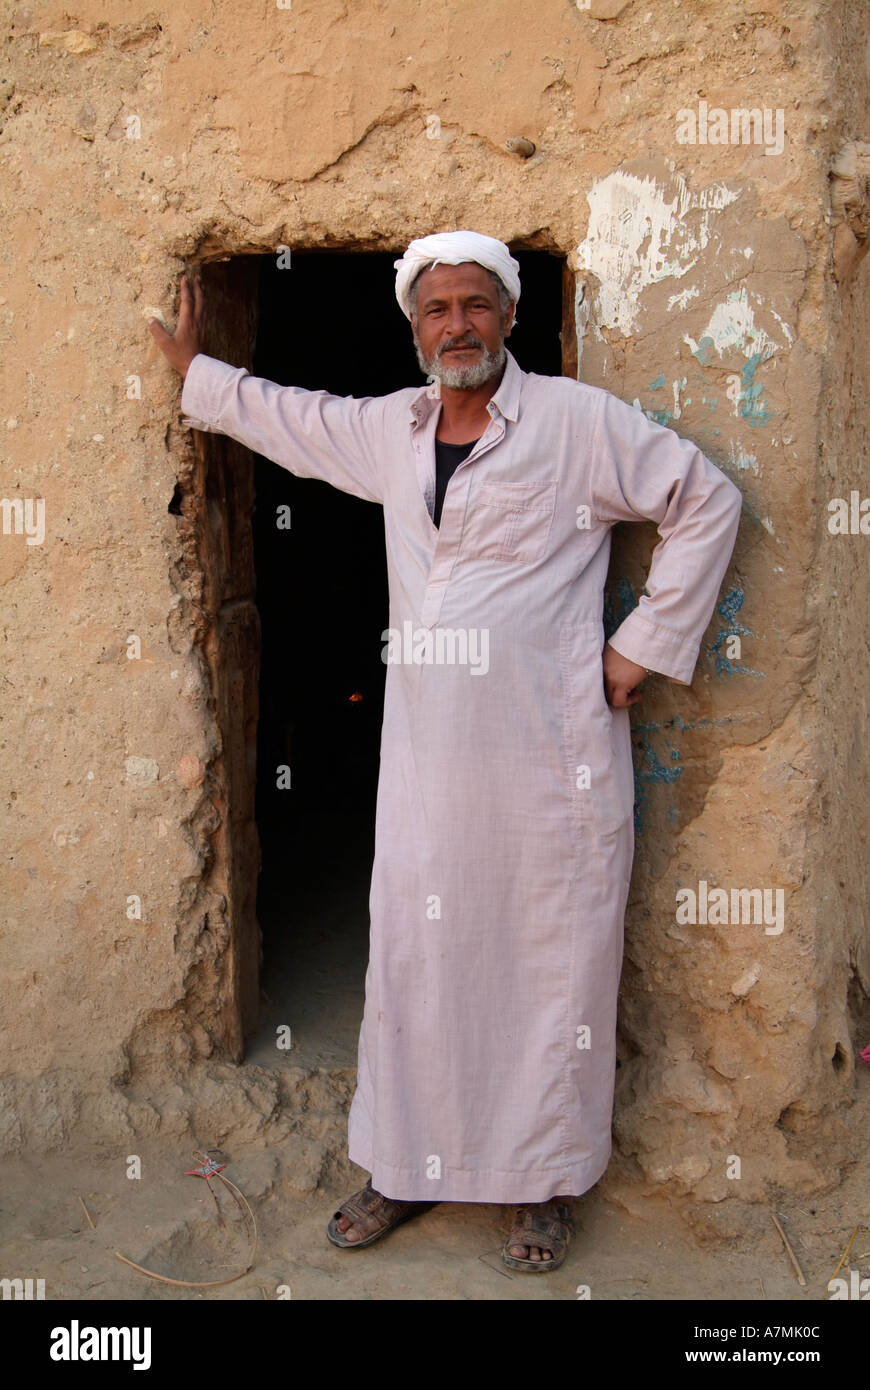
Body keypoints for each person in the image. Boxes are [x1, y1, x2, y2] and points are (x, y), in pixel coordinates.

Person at [149, 230, 742, 1271]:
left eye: (476, 304)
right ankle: (404, 1167)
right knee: (422, 962)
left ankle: (543, 1184)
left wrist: (636, 651)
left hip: (549, 762)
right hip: (429, 765)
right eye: (436, 309)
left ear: (510, 315)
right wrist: (198, 374)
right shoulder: (394, 429)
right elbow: (298, 421)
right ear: (414, 326)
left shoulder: (576, 423)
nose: (456, 324)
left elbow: (707, 499)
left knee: (548, 968)